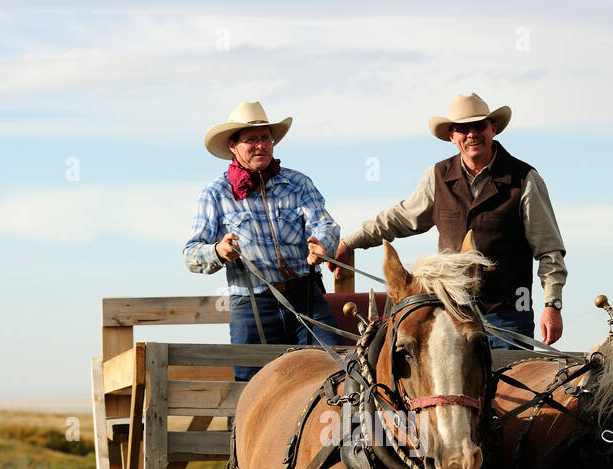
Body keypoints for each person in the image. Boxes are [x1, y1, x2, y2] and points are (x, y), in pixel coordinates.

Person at [336, 93, 567, 348]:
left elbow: (549, 251)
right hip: (450, 312)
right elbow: (399, 218)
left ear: (494, 128)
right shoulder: (437, 176)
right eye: (462, 129)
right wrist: (349, 242)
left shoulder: (524, 179)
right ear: (452, 136)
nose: (471, 134)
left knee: (509, 385)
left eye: (479, 126)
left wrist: (552, 305)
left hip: (508, 314)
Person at [184, 101, 344, 381]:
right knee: (249, 388)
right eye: (251, 140)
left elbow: (325, 223)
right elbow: (192, 254)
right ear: (233, 146)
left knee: (337, 370)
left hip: (305, 298)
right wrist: (219, 252)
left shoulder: (298, 183)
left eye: (265, 138)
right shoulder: (215, 194)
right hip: (253, 305)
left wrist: (322, 243)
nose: (261, 145)